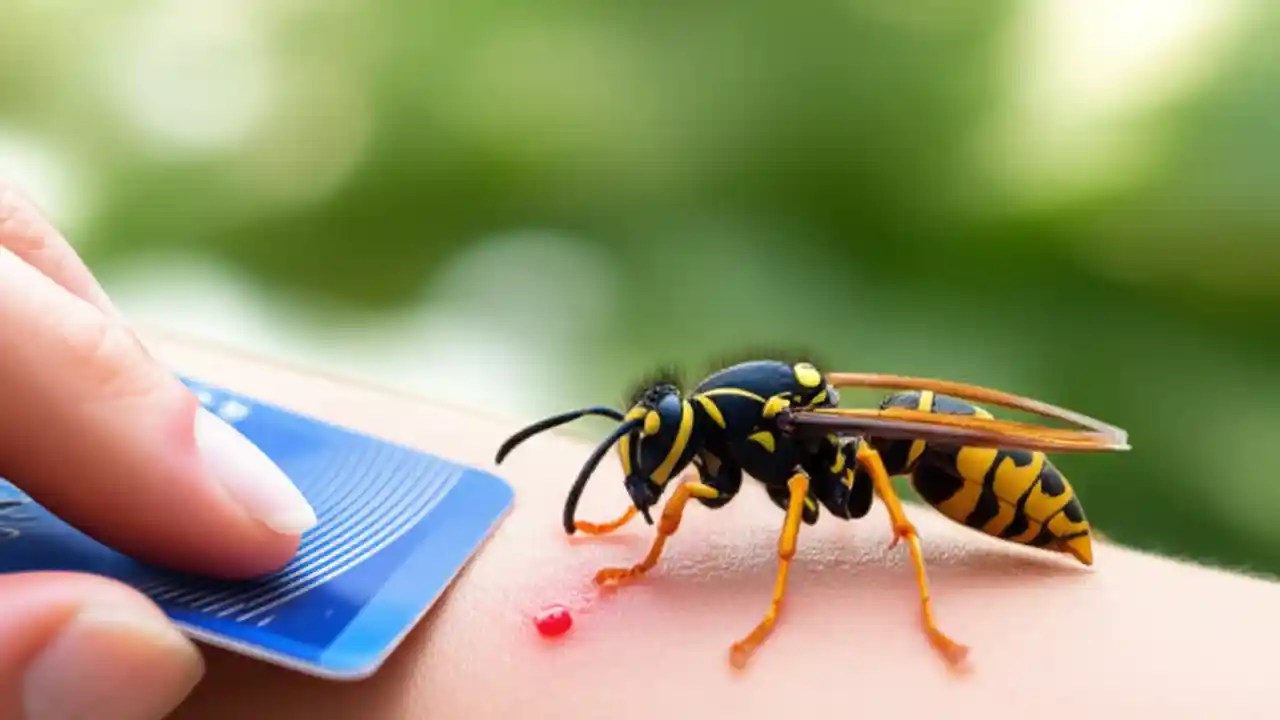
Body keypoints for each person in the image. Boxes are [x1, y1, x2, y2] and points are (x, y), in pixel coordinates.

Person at [2, 180, 1277, 720]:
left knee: (894, 471)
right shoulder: (727, 437)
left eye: (656, 460)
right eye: (650, 461)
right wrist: (620, 540)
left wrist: (820, 622)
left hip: (972, 484)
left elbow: (855, 480)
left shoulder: (793, 444)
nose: (655, 472)